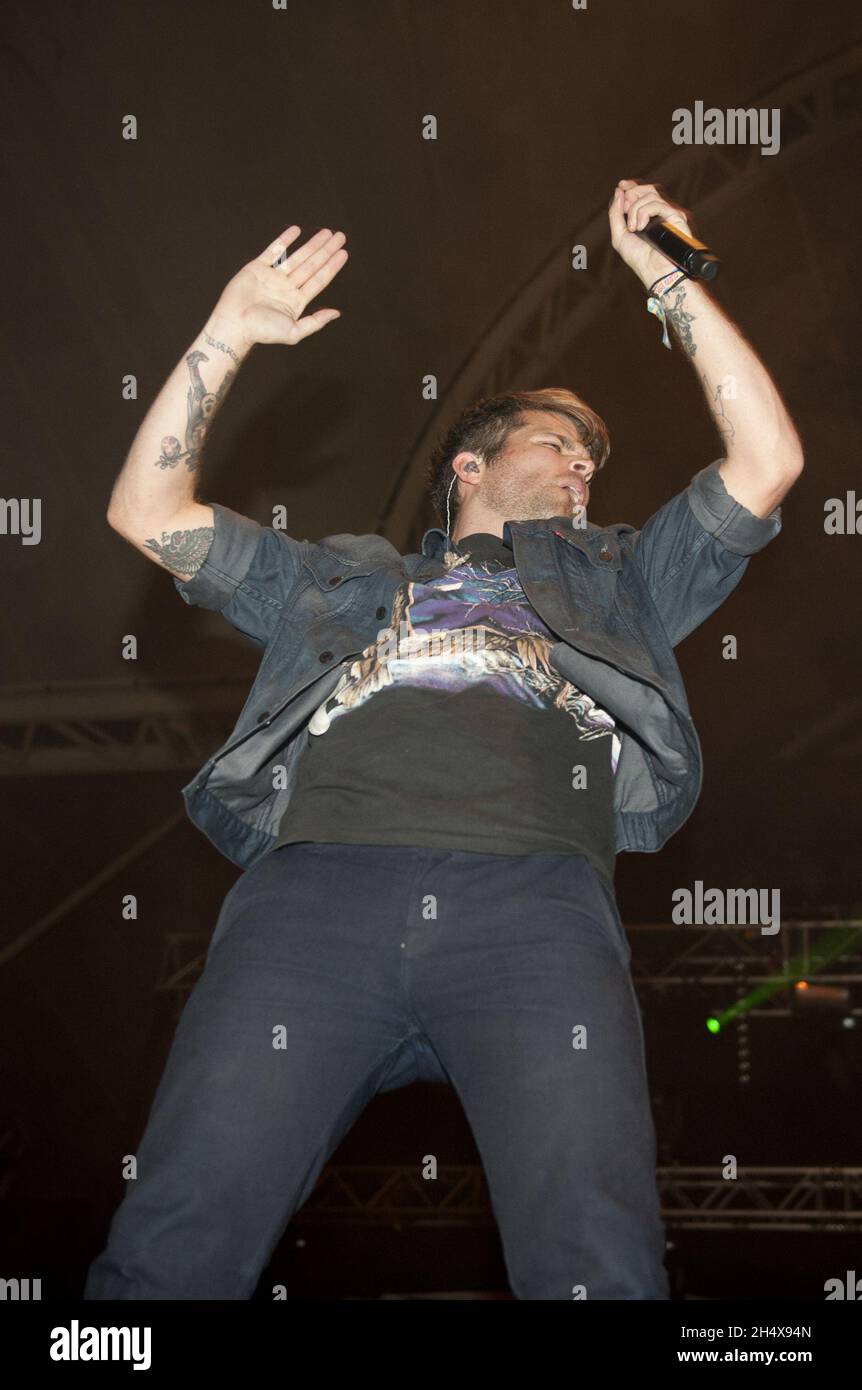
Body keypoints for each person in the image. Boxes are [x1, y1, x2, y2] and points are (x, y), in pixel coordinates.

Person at [85, 180, 803, 1300]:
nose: (582, 468)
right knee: (171, 1249)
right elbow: (148, 513)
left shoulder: (617, 575)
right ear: (469, 466)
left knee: (598, 1262)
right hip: (314, 901)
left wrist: (668, 278)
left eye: (592, 462)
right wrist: (225, 336)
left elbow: (765, 462)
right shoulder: (341, 576)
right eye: (558, 444)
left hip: (539, 909)